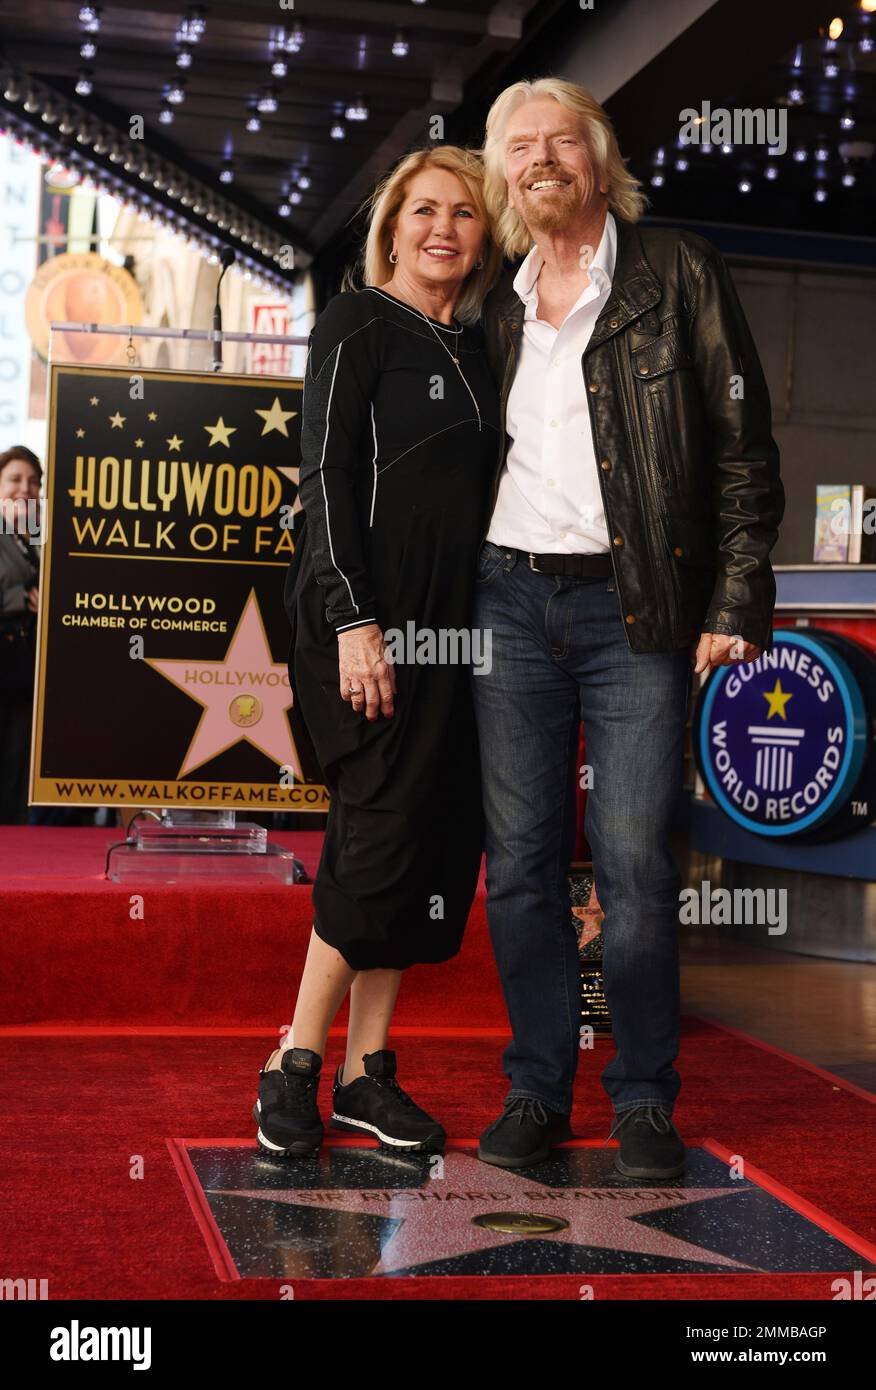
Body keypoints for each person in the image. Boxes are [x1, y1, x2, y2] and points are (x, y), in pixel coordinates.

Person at [472, 79, 784, 1177]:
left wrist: (738, 597)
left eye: (563, 138)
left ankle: (645, 1096)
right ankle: (536, 1088)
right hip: (504, 601)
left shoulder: (677, 271)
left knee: (638, 866)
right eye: (521, 143)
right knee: (516, 865)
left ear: (600, 162)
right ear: (502, 171)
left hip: (636, 603)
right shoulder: (491, 298)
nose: (542, 156)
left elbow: (743, 447)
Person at [252, 147, 502, 1157]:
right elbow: (325, 477)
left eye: (466, 214)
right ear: (392, 224)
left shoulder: (483, 348)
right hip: (366, 621)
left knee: (433, 844)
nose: (444, 228)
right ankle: (295, 1061)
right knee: (379, 838)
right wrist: (355, 619)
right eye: (425, 209)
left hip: (460, 630)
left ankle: (367, 1072)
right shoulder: (358, 322)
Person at [0, 446, 42, 824]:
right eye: (14, 479)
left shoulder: (34, 538)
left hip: (23, 675)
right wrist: (26, 597)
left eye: (33, 481)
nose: (24, 489)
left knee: (17, 771)